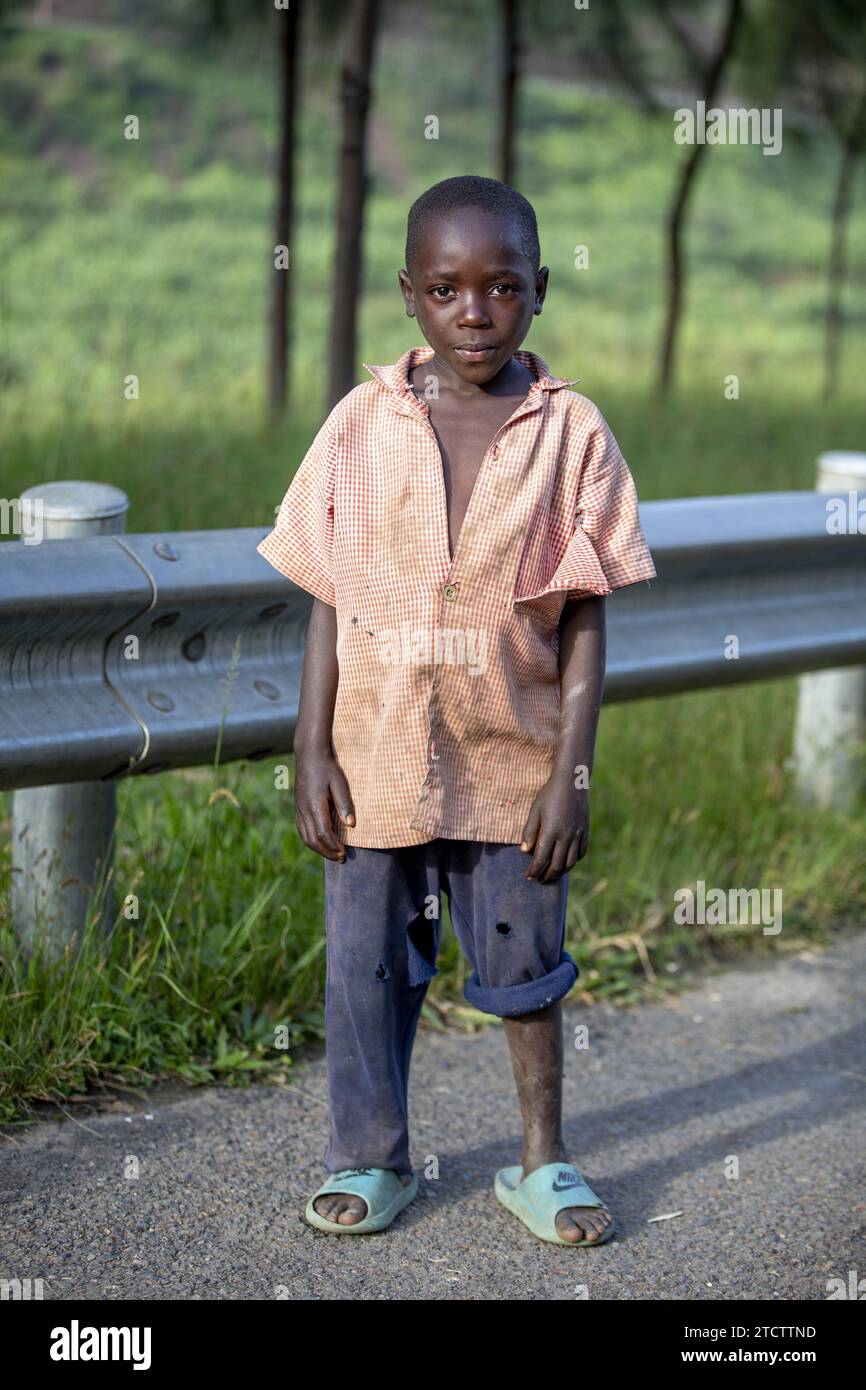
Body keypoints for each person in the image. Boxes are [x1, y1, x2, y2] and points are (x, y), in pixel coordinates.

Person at [257, 175, 657, 1246]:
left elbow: (583, 620)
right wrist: (309, 746)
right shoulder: (359, 424)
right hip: (375, 757)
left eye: (499, 287)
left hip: (512, 763)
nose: (472, 312)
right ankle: (368, 1157)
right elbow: (327, 595)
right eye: (444, 289)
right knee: (365, 969)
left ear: (538, 293)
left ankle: (541, 1160)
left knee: (524, 970)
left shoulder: (569, 434)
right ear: (407, 297)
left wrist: (570, 773)